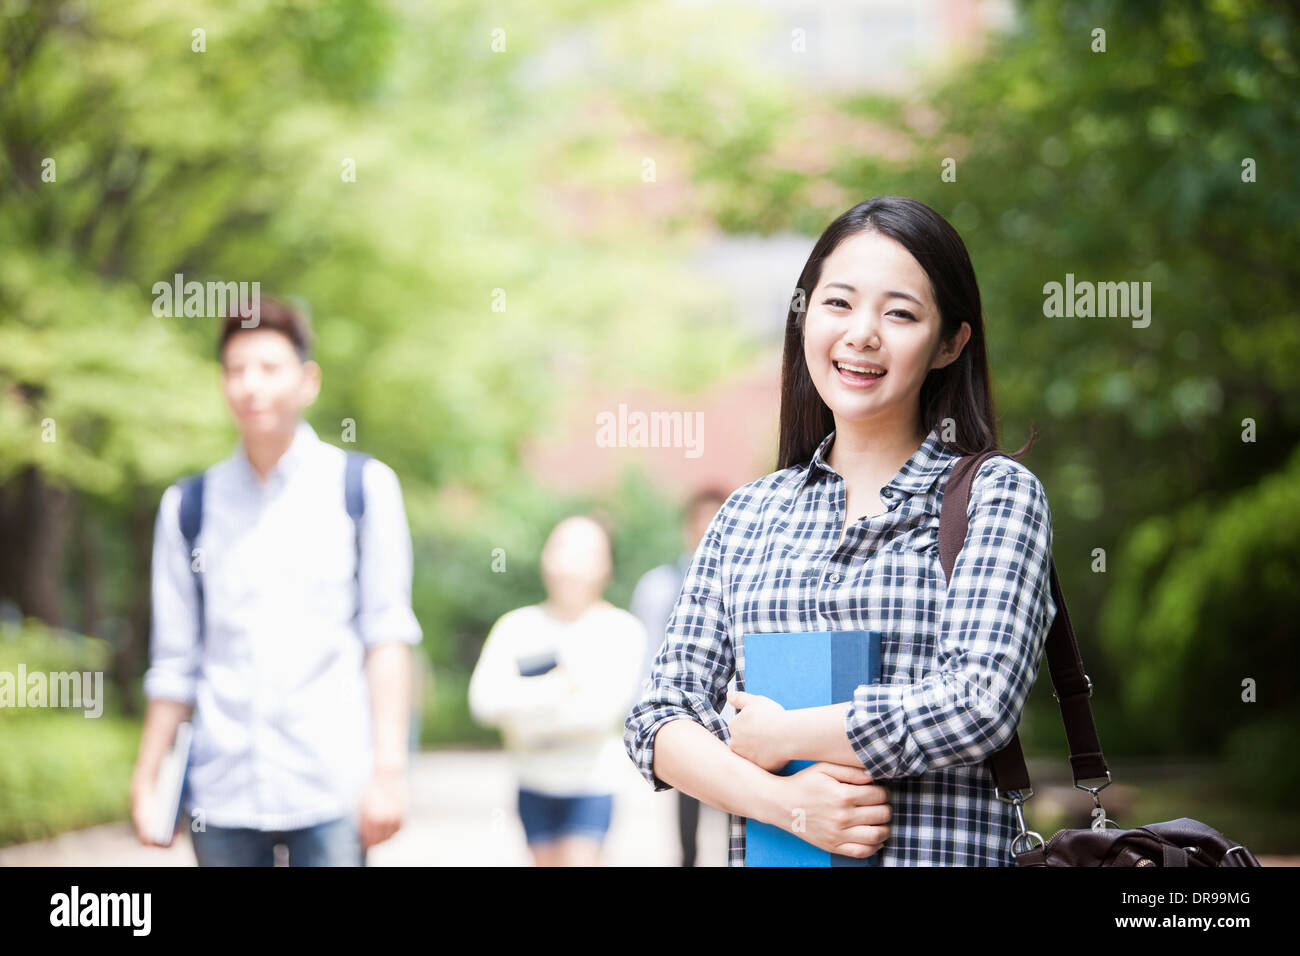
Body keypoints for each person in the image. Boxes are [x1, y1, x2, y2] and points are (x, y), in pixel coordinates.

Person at [624, 196, 1057, 866]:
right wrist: (788, 806)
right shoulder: (746, 516)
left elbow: (978, 702)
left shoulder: (993, 497)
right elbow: (657, 719)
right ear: (804, 317)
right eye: (839, 304)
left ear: (949, 343)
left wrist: (785, 735)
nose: (862, 333)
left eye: (901, 313)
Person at [130, 298, 422, 866]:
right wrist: (147, 781)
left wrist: (389, 773)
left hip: (331, 784)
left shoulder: (361, 489)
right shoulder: (189, 506)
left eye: (268, 368)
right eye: (236, 371)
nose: (250, 386)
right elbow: (174, 662)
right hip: (223, 789)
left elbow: (386, 637)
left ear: (307, 381)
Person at [469, 516, 646, 866]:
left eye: (585, 553)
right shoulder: (515, 626)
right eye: (562, 549)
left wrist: (522, 717)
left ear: (605, 566)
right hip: (531, 784)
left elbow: (602, 713)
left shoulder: (621, 631)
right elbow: (484, 702)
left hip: (591, 786)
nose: (570, 564)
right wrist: (561, 687)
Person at [629, 487, 730, 867]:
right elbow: (649, 649)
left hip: (734, 718)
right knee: (687, 808)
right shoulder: (658, 586)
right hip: (683, 718)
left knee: (738, 811)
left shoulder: (748, 579)